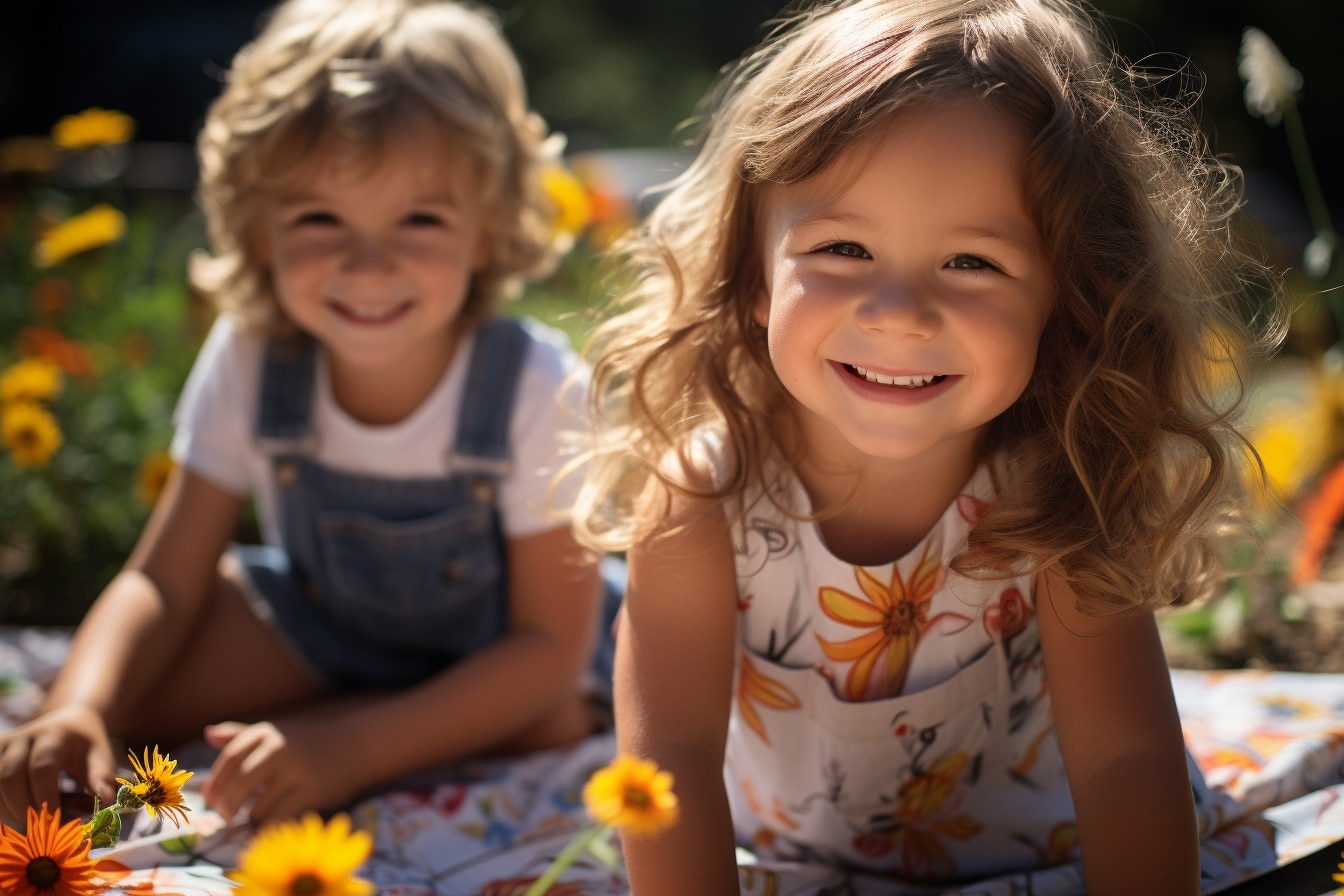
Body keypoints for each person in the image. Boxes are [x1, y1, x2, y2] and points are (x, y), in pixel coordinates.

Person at [571, 0, 1283, 893]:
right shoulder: (702, 497)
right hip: (782, 867)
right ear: (753, 277)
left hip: (1041, 862)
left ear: (1067, 296)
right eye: (842, 248)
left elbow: (1124, 762)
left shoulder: (1057, 487)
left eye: (972, 262)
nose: (901, 314)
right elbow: (668, 756)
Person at [0, 0, 607, 828]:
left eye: (419, 218)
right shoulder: (255, 356)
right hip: (326, 636)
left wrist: (349, 749)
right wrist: (80, 704)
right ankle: (332, 721)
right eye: (320, 217)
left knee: (552, 718)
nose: (368, 264)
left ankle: (352, 729)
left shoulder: (533, 381)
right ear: (259, 228)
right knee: (129, 704)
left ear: (488, 230)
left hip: (503, 664)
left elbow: (547, 651)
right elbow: (163, 578)